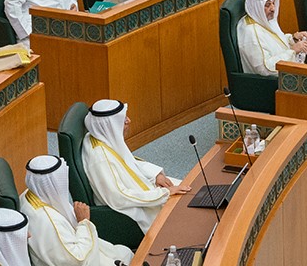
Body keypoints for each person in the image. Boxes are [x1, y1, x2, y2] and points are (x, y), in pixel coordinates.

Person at [81, 99, 187, 230]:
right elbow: (119, 196)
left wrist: (155, 175)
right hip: (130, 208)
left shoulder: (99, 137)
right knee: (185, 213)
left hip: (138, 189)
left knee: (188, 187)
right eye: (123, 120)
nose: (128, 121)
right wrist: (164, 194)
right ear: (110, 125)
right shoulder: (100, 159)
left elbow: (128, 161)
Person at [23, 154, 132, 266]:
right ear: (53, 182)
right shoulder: (47, 221)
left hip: (73, 247)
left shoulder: (29, 195)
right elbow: (78, 260)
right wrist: (83, 222)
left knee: (124, 253)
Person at [236, 0, 307, 75]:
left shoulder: (261, 20)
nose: (273, 9)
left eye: (273, 3)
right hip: (273, 83)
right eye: (267, 5)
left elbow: (273, 45)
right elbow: (265, 69)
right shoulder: (250, 33)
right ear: (256, 7)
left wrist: (292, 39)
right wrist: (293, 51)